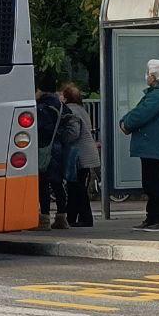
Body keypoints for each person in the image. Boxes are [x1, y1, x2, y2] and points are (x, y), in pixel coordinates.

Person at [119, 59, 159, 232]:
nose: (146, 76)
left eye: (148, 74)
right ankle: (153, 218)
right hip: (154, 145)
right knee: (152, 182)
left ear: (153, 76)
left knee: (155, 183)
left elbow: (140, 114)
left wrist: (125, 123)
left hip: (154, 145)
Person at [35, 74, 80, 230]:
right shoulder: (61, 106)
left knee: (43, 185)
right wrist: (61, 139)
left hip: (43, 149)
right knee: (58, 184)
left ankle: (44, 219)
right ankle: (62, 217)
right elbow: (73, 128)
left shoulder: (40, 107)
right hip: (59, 149)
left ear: (40, 89)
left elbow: (38, 129)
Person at [60, 83, 99, 227]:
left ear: (66, 97)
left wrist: (62, 137)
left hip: (78, 155)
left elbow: (73, 133)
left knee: (77, 187)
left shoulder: (70, 110)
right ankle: (72, 218)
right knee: (77, 186)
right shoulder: (82, 109)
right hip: (88, 153)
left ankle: (85, 219)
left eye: (62, 95)